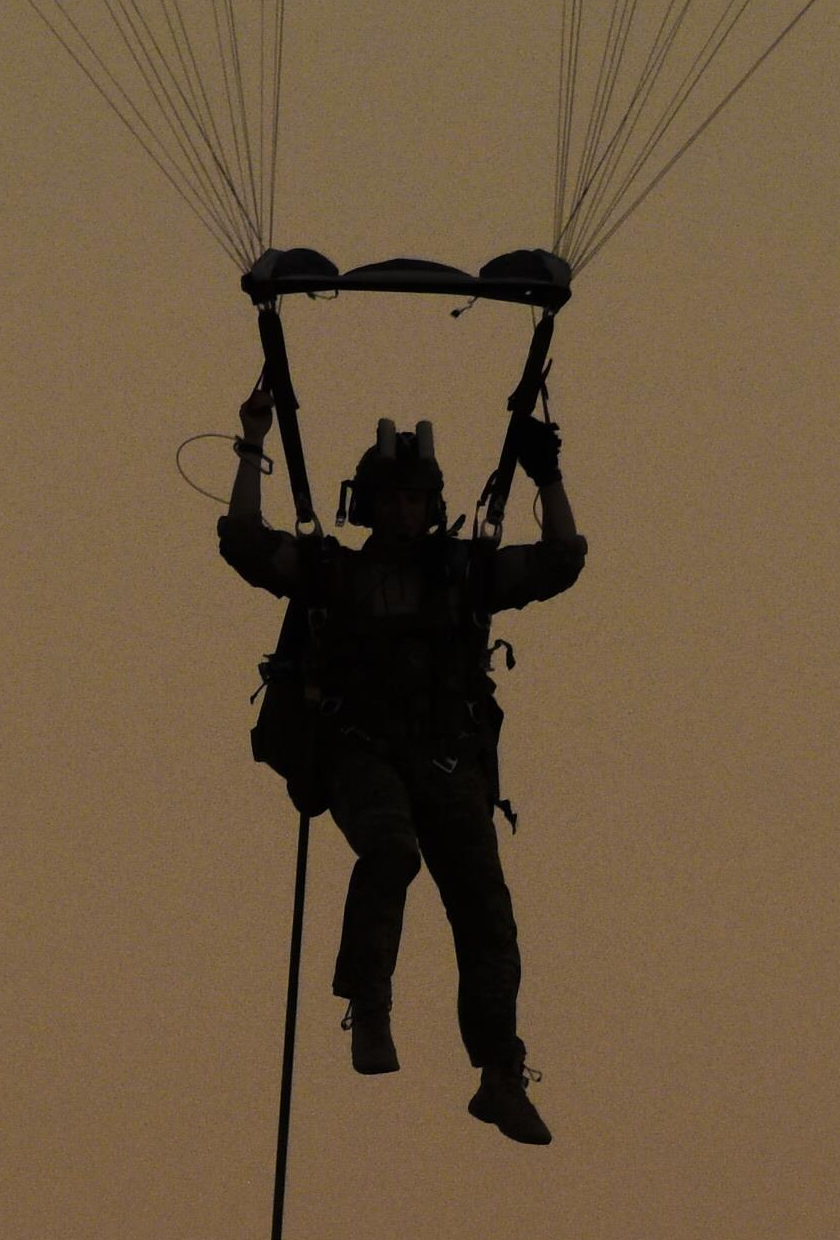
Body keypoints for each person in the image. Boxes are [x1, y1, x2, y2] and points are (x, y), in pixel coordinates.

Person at [222, 377, 586, 1141]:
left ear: (431, 505)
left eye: (415, 500)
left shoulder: (463, 574)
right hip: (362, 753)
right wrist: (254, 441)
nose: (403, 513)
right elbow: (248, 544)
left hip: (448, 759)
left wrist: (546, 474)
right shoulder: (334, 574)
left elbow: (559, 559)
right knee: (390, 850)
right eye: (390, 500)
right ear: (367, 505)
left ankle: (498, 1069)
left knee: (486, 906)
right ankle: (371, 1006)